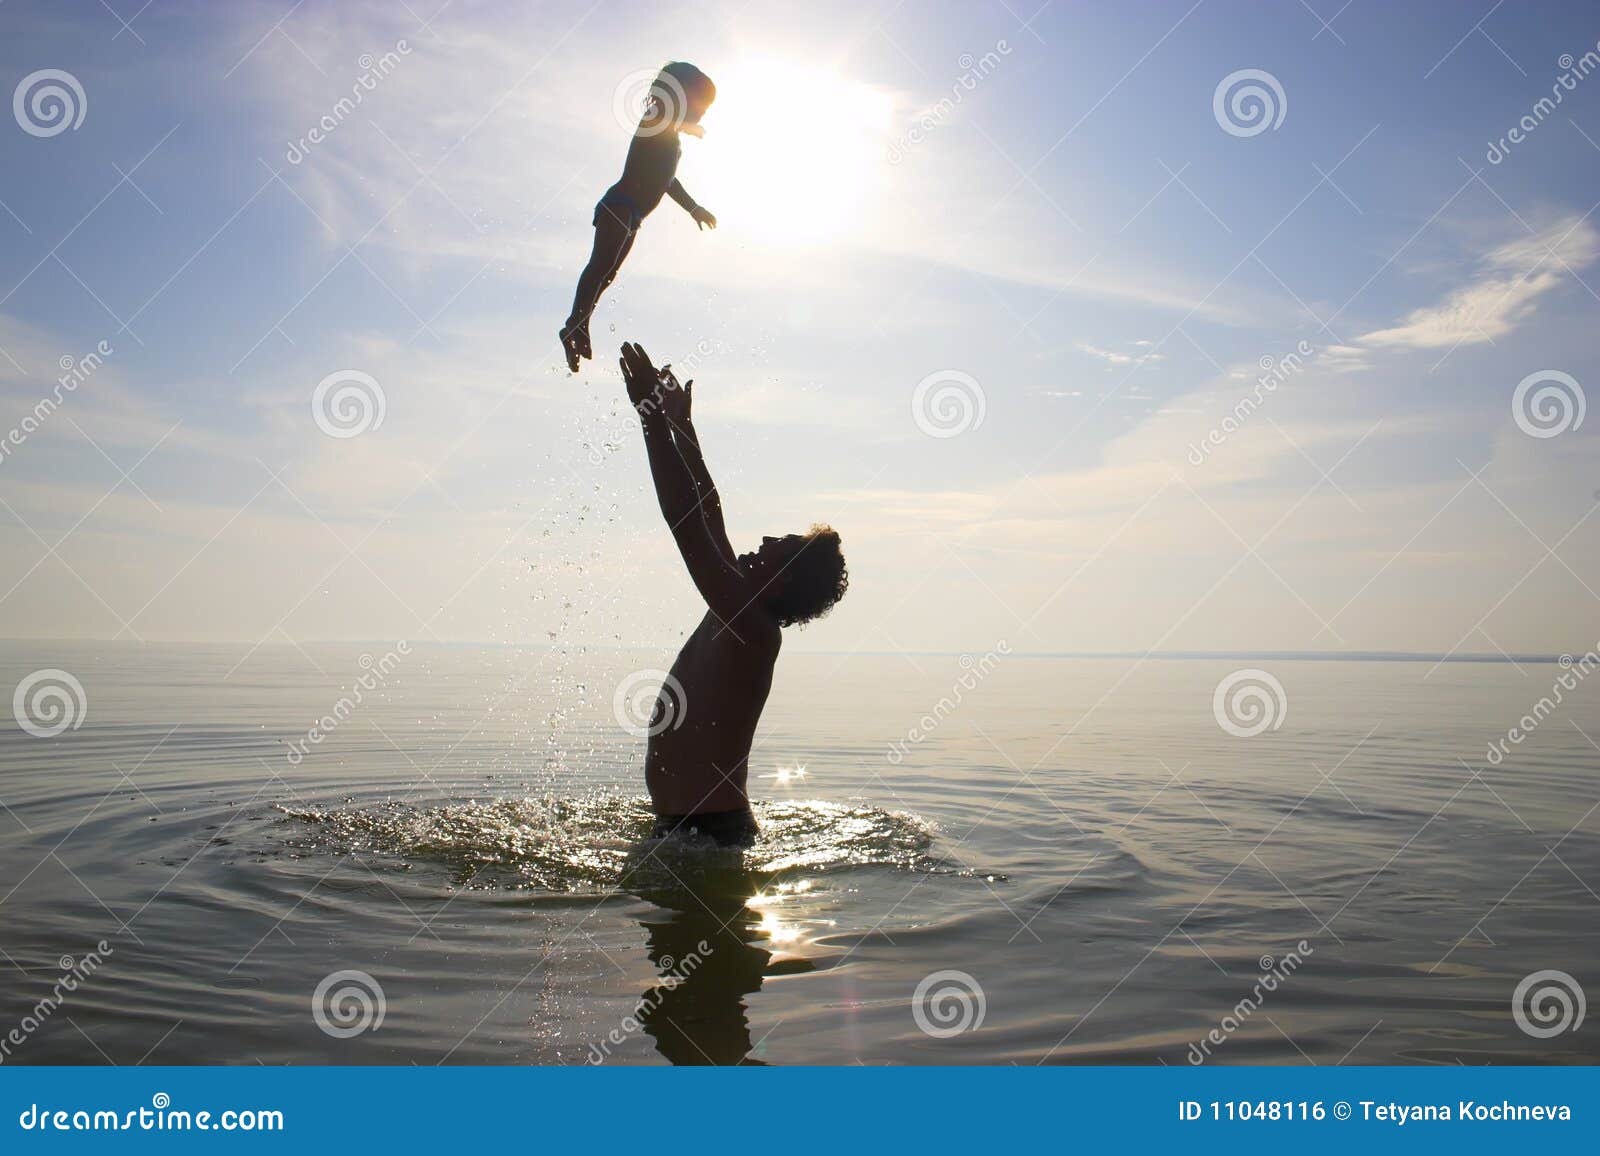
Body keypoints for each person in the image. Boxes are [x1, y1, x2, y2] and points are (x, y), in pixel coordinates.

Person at [619, 342, 848, 846]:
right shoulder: (735, 603)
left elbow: (686, 525)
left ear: (782, 579)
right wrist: (683, 426)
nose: (762, 541)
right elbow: (706, 508)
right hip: (686, 833)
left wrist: (652, 421)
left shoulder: (751, 628)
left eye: (777, 546)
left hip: (710, 837)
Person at [562, 64, 719, 373]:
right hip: (619, 205)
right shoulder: (655, 121)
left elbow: (667, 181)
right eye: (700, 106)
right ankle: (575, 323)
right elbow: (666, 121)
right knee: (600, 266)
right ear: (681, 97)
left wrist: (693, 208)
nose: (702, 115)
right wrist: (687, 126)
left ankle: (578, 324)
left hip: (633, 216)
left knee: (608, 274)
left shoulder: (671, 138)